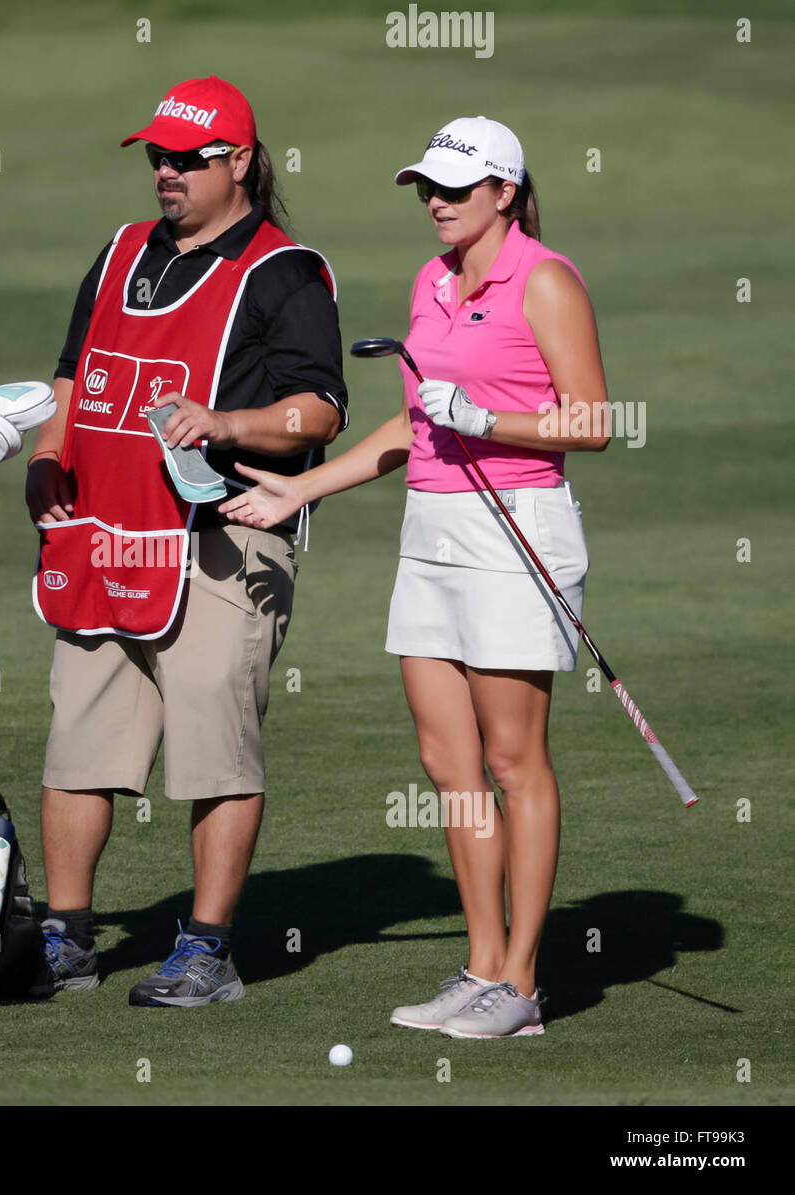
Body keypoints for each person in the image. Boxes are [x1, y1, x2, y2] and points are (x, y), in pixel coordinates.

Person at [221, 116, 610, 1037]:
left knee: (514, 760)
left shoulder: (545, 280)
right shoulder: (432, 282)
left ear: (504, 193)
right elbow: (411, 431)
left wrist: (483, 415)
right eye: (426, 186)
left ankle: (520, 986)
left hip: (517, 528)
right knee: (448, 761)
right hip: (431, 528)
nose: (435, 201)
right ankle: (479, 966)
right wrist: (301, 488)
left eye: (455, 187)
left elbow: (592, 419)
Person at [25, 76, 348, 1007]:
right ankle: (67, 937)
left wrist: (229, 423)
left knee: (216, 750)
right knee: (78, 743)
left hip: (224, 546)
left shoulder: (285, 271)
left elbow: (319, 410)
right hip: (106, 535)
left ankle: (207, 950)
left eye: (187, 158)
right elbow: (74, 371)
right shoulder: (125, 247)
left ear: (239, 162)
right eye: (158, 156)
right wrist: (51, 451)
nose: (165, 172)